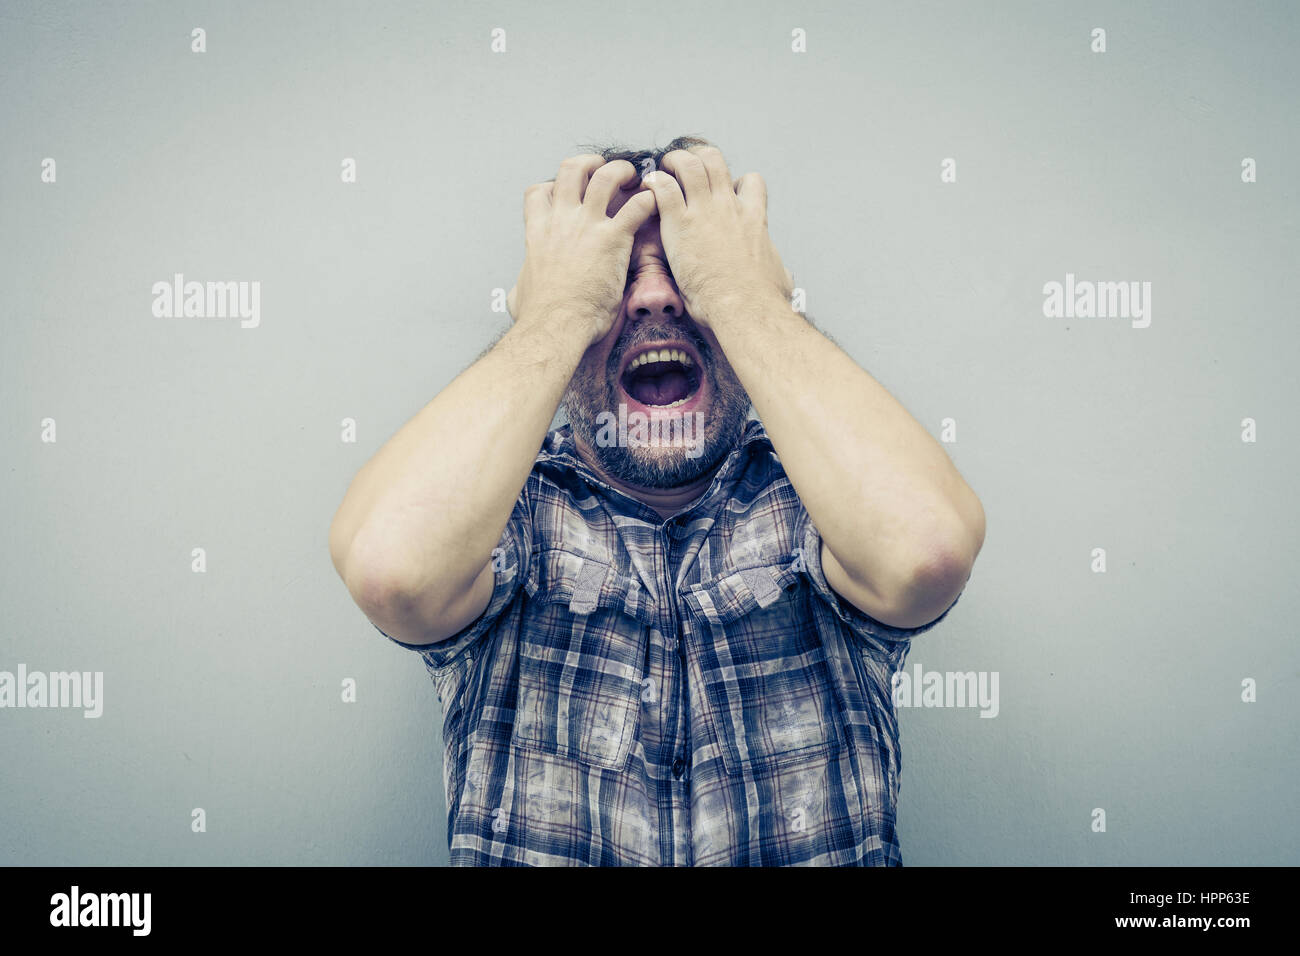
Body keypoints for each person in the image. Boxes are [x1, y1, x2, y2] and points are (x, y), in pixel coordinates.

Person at [328, 136, 986, 865]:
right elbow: (394, 568)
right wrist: (554, 315)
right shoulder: (505, 510)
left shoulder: (819, 502)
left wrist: (742, 297)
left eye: (688, 272)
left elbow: (925, 551)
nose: (653, 296)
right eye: (615, 280)